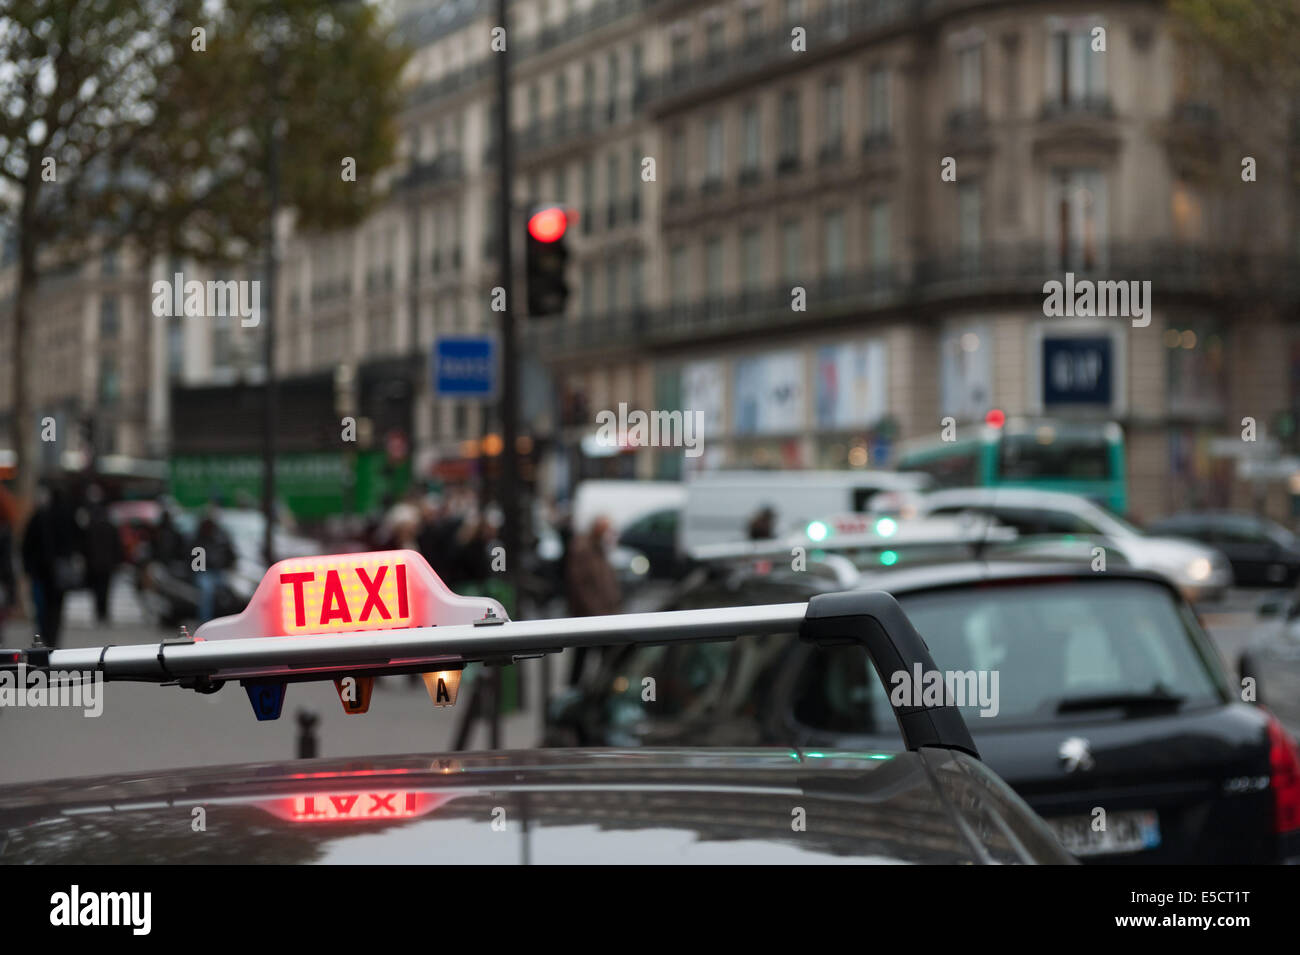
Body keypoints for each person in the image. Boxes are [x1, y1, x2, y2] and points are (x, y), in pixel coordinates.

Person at [564, 515, 621, 685]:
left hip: (601, 616)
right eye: (606, 530)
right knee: (584, 659)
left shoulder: (598, 549)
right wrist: (597, 612)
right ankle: (581, 692)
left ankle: (598, 689)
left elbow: (607, 582)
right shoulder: (584, 550)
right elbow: (581, 586)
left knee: (601, 658)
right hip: (590, 617)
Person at [21, 483, 80, 648]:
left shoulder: (39, 516)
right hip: (59, 570)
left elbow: (27, 544)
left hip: (40, 571)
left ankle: (44, 634)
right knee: (56, 605)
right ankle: (52, 636)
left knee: (42, 605)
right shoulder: (68, 515)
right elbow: (77, 538)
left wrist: (28, 567)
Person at [82, 489, 122, 624]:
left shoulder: (92, 527)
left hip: (96, 563)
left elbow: (86, 546)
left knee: (98, 588)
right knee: (105, 588)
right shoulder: (110, 527)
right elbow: (117, 546)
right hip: (106, 563)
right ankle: (103, 611)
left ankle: (100, 611)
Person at [192, 510, 236, 623]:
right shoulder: (199, 539)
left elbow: (231, 554)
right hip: (205, 572)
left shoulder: (221, 538)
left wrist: (227, 565)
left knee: (231, 591)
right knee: (207, 592)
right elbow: (195, 560)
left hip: (219, 572)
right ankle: (204, 621)